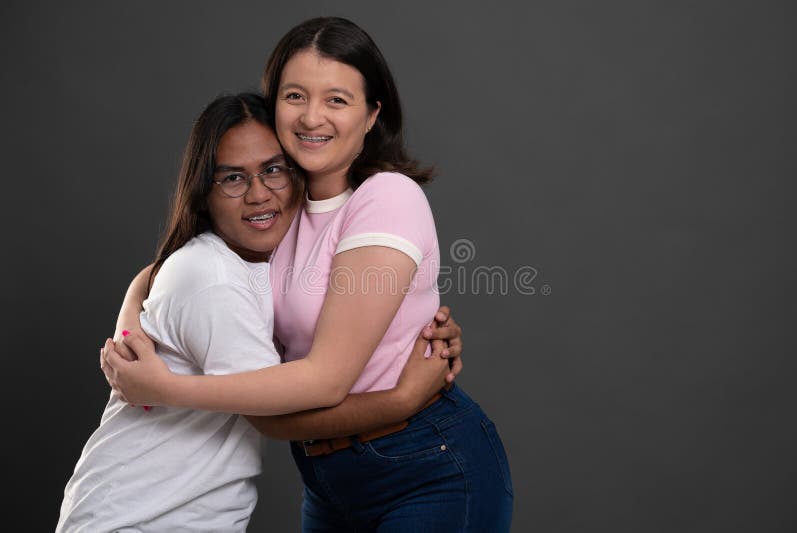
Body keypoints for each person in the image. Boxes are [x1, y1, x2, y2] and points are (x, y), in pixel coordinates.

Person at [104, 16, 512, 532]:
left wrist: (165, 389)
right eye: (295, 95)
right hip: (329, 480)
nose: (312, 116)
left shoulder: (386, 197)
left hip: (425, 461)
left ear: (371, 115)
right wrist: (128, 329)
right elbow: (175, 268)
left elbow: (325, 380)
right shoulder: (278, 207)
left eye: (337, 100)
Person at [58, 93, 456, 532]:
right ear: (203, 194)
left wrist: (419, 321)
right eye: (232, 178)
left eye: (272, 170)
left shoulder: (265, 265)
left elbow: (153, 274)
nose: (258, 194)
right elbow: (276, 417)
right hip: (139, 519)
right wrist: (404, 399)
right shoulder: (213, 278)